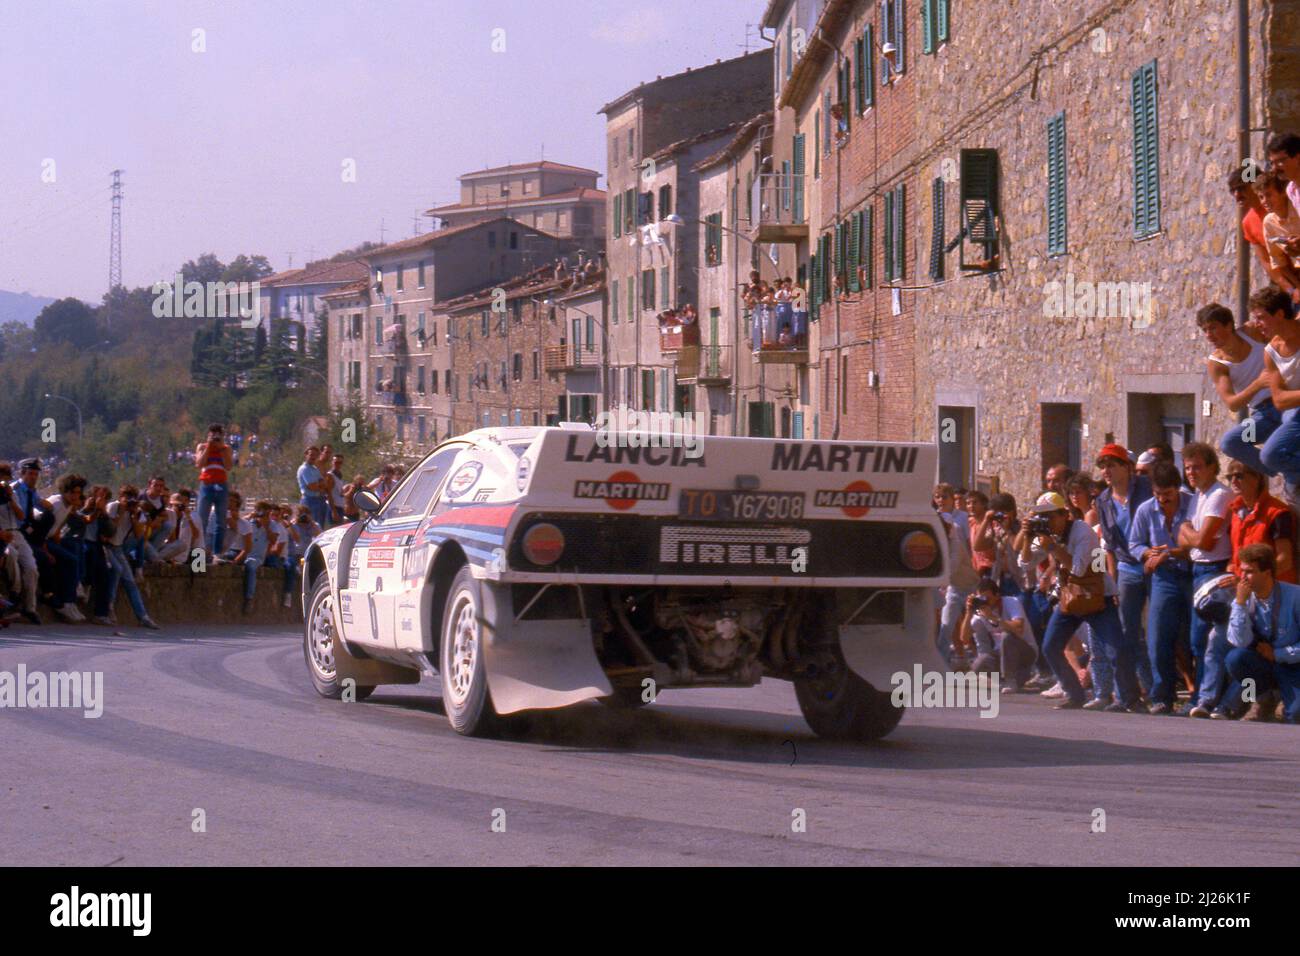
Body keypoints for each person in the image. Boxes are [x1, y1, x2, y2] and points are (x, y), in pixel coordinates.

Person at [1030, 491, 1143, 711]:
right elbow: (1024, 561)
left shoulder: (1082, 531)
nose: (1047, 522)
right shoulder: (1046, 534)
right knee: (1051, 646)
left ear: (1064, 515)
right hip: (1071, 598)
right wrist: (1027, 537)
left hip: (1097, 597)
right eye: (1042, 517)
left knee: (1116, 649)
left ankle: (1131, 699)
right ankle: (1075, 694)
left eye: (1051, 516)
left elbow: (1078, 569)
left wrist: (1052, 547)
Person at [1128, 462, 1195, 714]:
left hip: (1190, 573)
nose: (1162, 500)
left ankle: (1198, 694)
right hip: (1163, 578)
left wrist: (1168, 553)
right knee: (1157, 636)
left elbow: (1200, 544)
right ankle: (1162, 696)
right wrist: (1147, 553)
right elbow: (1133, 543)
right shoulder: (1146, 510)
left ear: (1177, 489)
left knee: (1193, 635)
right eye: (1158, 494)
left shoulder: (1192, 504)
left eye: (1168, 495)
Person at [1093, 444, 1155, 698]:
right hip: (1127, 566)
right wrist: (1113, 583)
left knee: (1156, 629)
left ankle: (1159, 692)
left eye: (1112, 464)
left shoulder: (1146, 488)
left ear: (1127, 467)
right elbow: (1109, 546)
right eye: (1103, 465)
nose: (1106, 470)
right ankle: (1126, 693)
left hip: (1154, 563)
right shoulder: (1103, 501)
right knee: (1127, 632)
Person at [1176, 442, 1233, 713]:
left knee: (1207, 639)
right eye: (1187, 468)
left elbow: (1204, 540)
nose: (1191, 472)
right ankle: (1201, 697)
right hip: (1197, 570)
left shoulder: (1219, 495)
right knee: (1198, 640)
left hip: (1214, 570)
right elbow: (1182, 536)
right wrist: (1189, 534)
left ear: (1212, 467)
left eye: (1197, 467)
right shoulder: (1198, 496)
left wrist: (1188, 532)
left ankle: (1205, 699)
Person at [1222, 542, 1300, 723]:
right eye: (1242, 571)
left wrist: (1278, 654)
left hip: (1293, 664)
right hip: (1263, 664)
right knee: (1235, 659)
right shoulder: (1243, 599)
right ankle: (1256, 701)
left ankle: (1283, 699)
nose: (1243, 577)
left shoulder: (1295, 597)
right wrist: (1240, 604)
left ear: (1267, 573)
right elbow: (1238, 641)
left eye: (1249, 572)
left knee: (1295, 715)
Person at [1201, 303, 1278, 473]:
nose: (1208, 335)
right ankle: (1279, 469)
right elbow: (1232, 404)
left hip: (1285, 400)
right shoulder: (1217, 363)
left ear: (1229, 325)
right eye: (1205, 330)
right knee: (1231, 442)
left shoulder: (1251, 332)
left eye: (1213, 328)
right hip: (1261, 414)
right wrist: (1258, 384)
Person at [958, 576, 1036, 692]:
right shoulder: (981, 611)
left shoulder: (1011, 602)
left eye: (987, 598)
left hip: (1025, 652)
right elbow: (964, 638)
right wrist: (969, 613)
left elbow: (1019, 628)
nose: (985, 601)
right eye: (981, 598)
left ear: (997, 595)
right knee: (980, 663)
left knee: (1006, 636)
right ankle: (1000, 680)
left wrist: (993, 617)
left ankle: (1010, 680)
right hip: (1001, 656)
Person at [101, 485, 161, 630]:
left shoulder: (136, 512)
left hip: (119, 548)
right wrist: (122, 512)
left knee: (130, 582)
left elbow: (140, 536)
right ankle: (109, 608)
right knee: (117, 570)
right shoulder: (113, 507)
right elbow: (109, 530)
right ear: (120, 497)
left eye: (131, 499)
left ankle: (143, 616)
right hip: (106, 546)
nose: (128, 502)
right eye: (126, 498)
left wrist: (134, 516)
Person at [0, 462, 40, 625]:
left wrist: (10, 497)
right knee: (11, 555)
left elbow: (21, 516)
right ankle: (15, 593)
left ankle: (30, 608)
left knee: (31, 567)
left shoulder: (11, 494)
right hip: (2, 533)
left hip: (16, 532)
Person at [195, 424, 233, 557]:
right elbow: (199, 463)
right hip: (206, 484)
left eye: (218, 435)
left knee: (221, 521)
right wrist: (209, 448)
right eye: (213, 435)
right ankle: (198, 556)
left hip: (221, 484)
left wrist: (221, 449)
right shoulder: (202, 447)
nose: (215, 438)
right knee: (201, 520)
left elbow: (228, 466)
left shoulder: (226, 449)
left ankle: (217, 554)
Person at [296, 447, 329, 527]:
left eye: (315, 455)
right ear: (306, 455)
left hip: (319, 500)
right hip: (309, 501)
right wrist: (319, 486)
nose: (313, 457)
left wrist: (319, 485)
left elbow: (324, 483)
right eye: (311, 455)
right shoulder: (304, 469)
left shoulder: (315, 469)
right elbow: (312, 486)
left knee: (319, 527)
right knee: (309, 527)